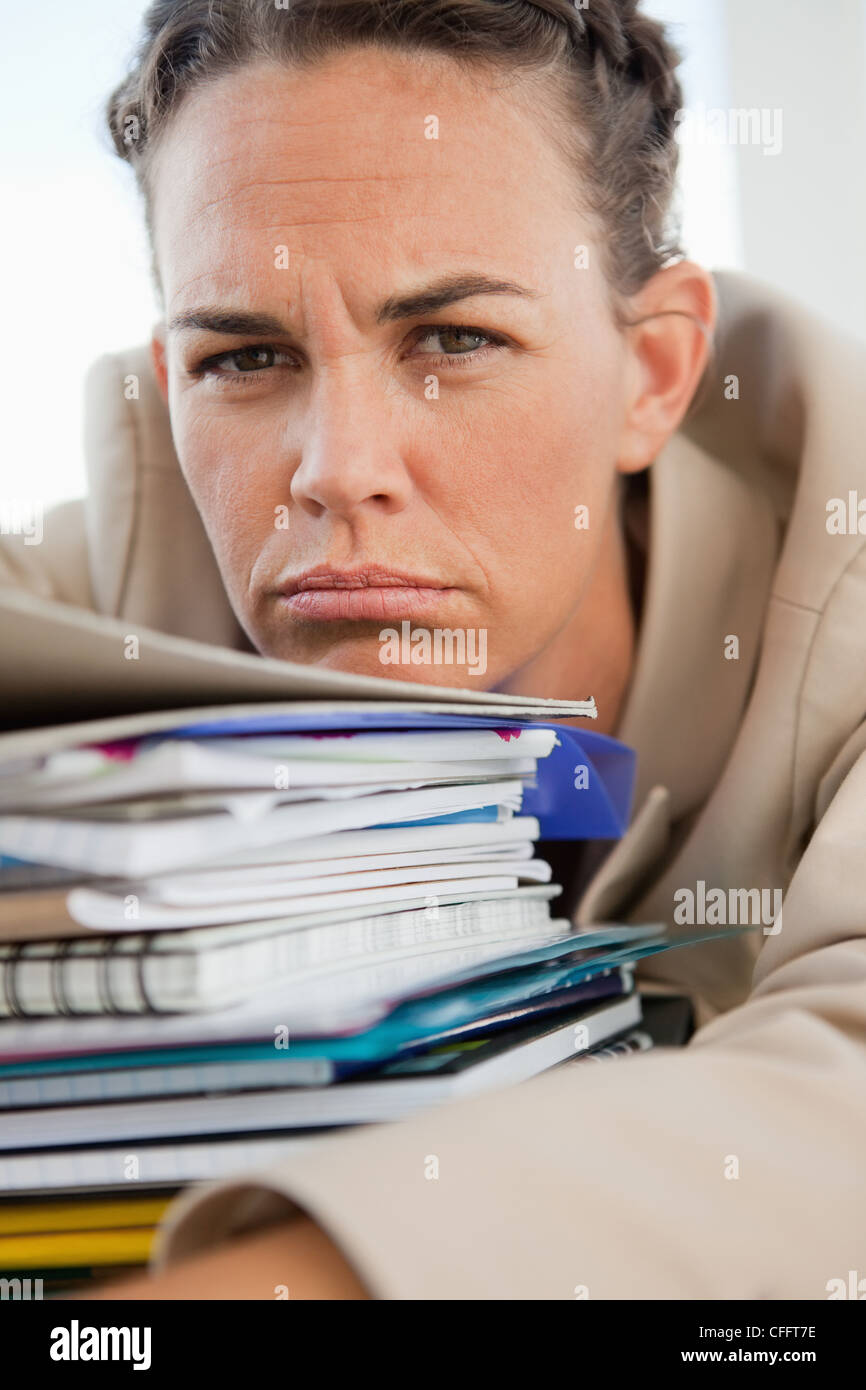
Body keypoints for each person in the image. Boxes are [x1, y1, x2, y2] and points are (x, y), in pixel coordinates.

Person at [3, 0, 865, 1300]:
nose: (337, 471)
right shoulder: (88, 597)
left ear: (653, 372)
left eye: (454, 339)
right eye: (245, 355)